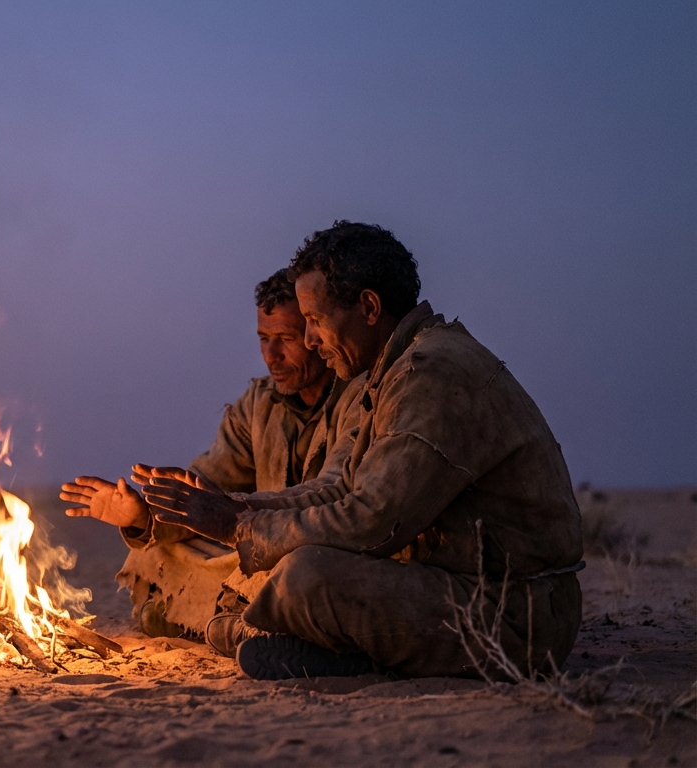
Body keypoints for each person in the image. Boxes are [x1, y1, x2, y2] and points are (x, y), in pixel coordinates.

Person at [128, 221, 584, 680]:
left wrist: (236, 524)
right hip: (463, 590)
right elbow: (339, 490)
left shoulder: (431, 373)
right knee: (287, 563)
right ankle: (309, 644)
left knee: (308, 573)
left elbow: (370, 520)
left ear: (368, 307)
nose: (310, 340)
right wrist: (232, 511)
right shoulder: (392, 373)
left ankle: (309, 645)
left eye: (314, 320)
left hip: (513, 616)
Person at [60, 269, 365, 638]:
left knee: (302, 568)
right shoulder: (258, 404)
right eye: (264, 339)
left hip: (316, 548)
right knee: (155, 551)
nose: (271, 356)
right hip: (260, 548)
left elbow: (338, 498)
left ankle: (235, 618)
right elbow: (205, 489)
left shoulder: (359, 396)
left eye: (286, 338)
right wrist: (142, 517)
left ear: (317, 333)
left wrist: (237, 514)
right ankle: (233, 615)